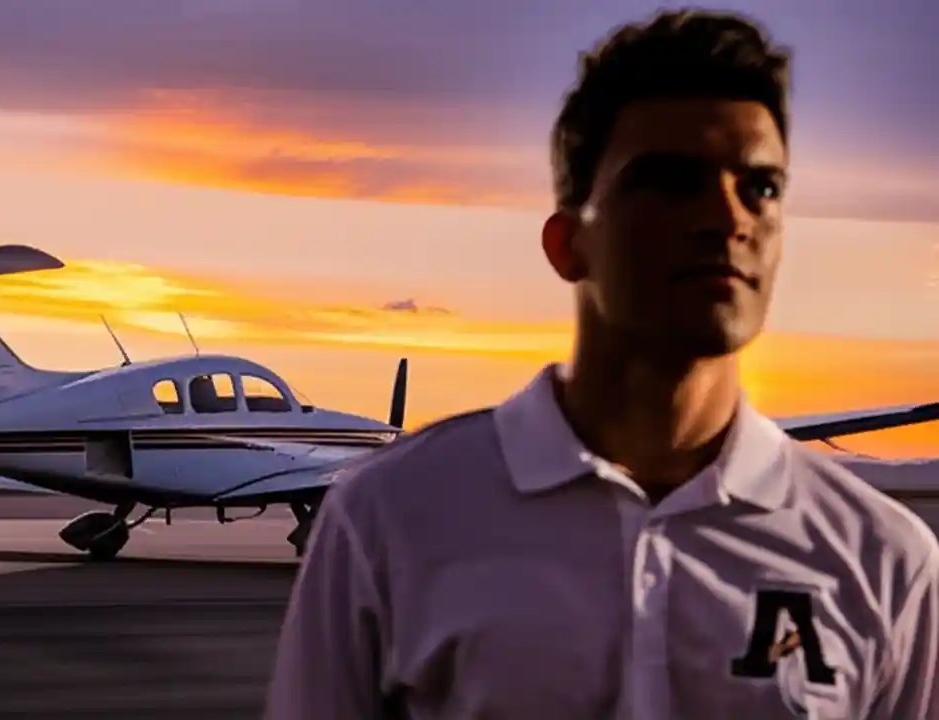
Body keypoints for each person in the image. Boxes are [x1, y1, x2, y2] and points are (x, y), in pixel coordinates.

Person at [263, 8, 939, 719]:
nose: (726, 217)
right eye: (667, 181)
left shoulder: (887, 562)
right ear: (566, 244)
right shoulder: (383, 519)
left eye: (761, 186)